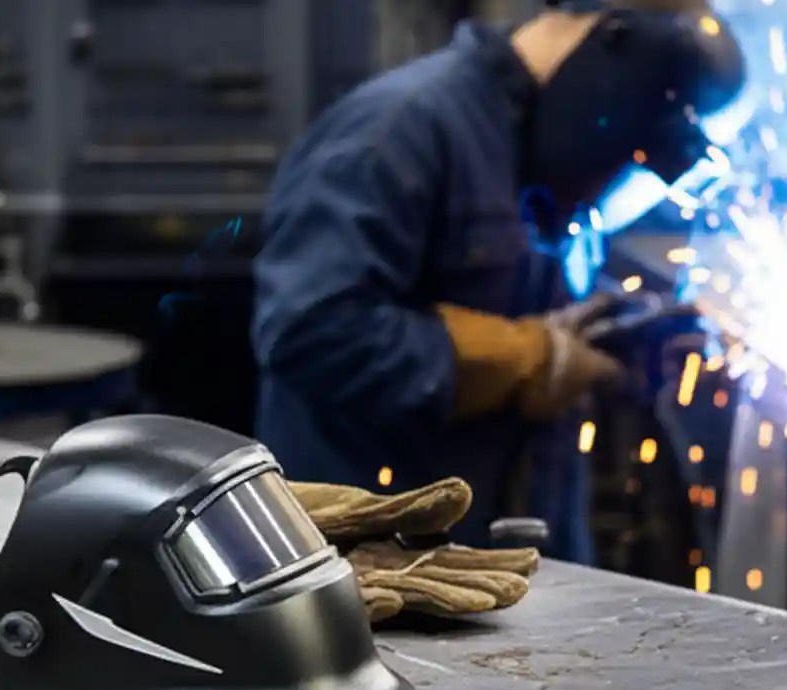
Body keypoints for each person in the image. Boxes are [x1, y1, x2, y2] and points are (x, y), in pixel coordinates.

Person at [252, 0, 744, 562]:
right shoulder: (397, 130)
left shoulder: (538, 151)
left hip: (518, 564)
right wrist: (527, 358)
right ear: (611, 48)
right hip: (379, 568)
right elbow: (310, 330)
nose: (615, 175)